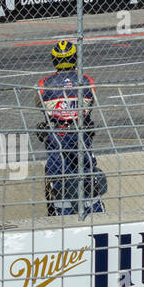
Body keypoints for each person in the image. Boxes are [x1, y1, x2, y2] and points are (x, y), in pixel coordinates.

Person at [36, 41, 104, 216]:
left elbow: (40, 106)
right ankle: (95, 212)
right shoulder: (87, 81)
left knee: (59, 176)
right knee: (87, 173)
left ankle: (63, 214)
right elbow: (90, 105)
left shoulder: (44, 83)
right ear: (75, 58)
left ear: (54, 60)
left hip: (57, 134)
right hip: (80, 133)